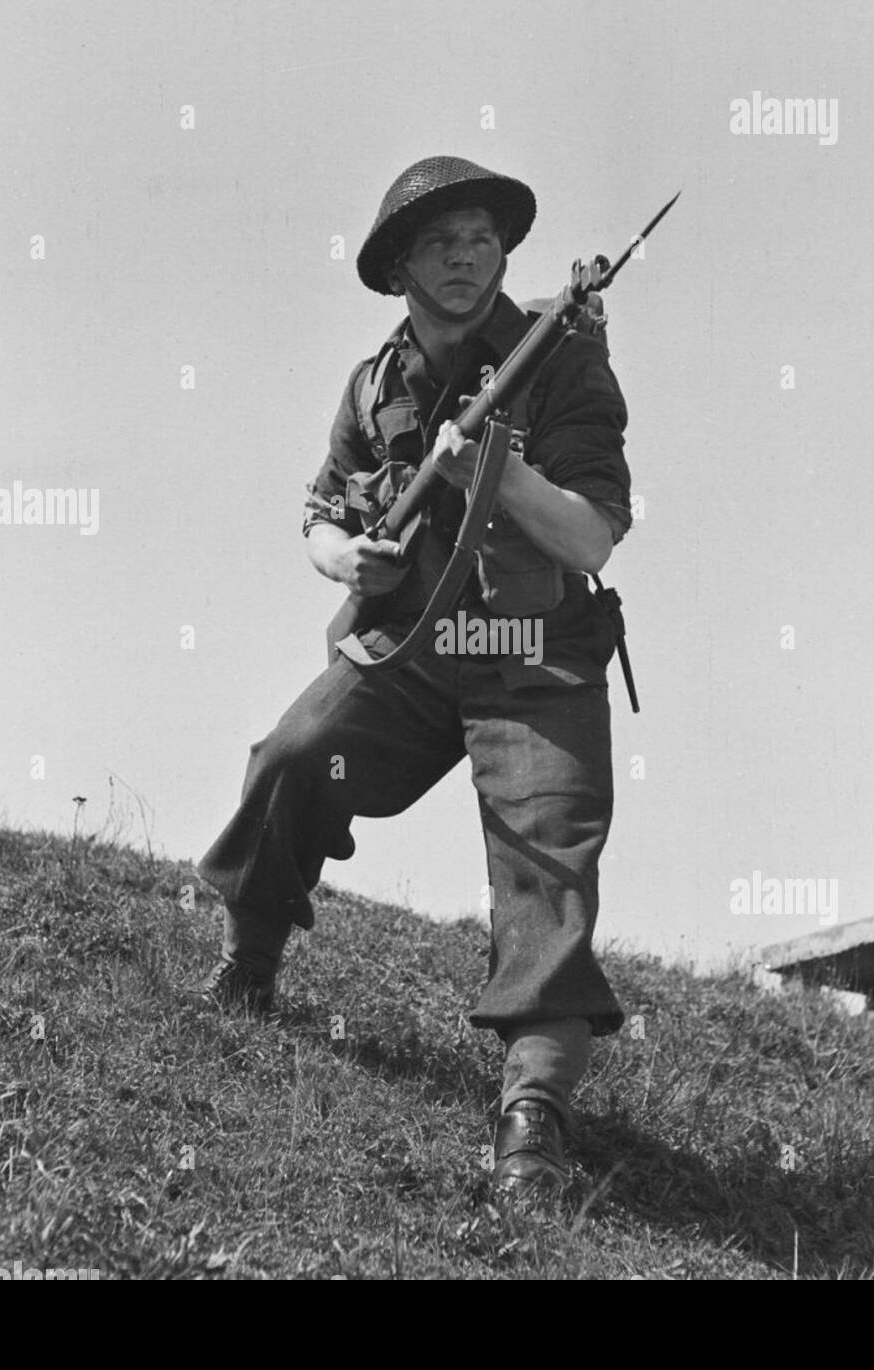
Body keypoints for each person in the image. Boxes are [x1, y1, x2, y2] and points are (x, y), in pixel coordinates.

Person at [195, 156, 633, 1194]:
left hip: (534, 657)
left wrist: (504, 475)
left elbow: (594, 537)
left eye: (481, 235)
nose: (465, 255)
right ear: (398, 266)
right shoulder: (372, 384)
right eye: (438, 241)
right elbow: (319, 513)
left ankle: (533, 1117)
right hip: (412, 648)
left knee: (545, 862)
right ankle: (248, 961)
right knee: (291, 757)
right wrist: (350, 559)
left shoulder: (561, 359)